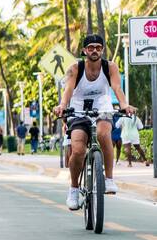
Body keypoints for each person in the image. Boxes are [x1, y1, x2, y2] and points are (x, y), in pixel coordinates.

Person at [54, 34, 138, 210]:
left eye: (98, 47)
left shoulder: (110, 67)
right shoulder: (75, 68)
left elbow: (116, 87)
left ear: (102, 50)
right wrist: (62, 105)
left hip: (102, 107)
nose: (94, 50)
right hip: (78, 109)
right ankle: (74, 189)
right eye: (90, 47)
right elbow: (68, 90)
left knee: (103, 134)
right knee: (77, 150)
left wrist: (124, 104)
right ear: (84, 50)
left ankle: (108, 179)